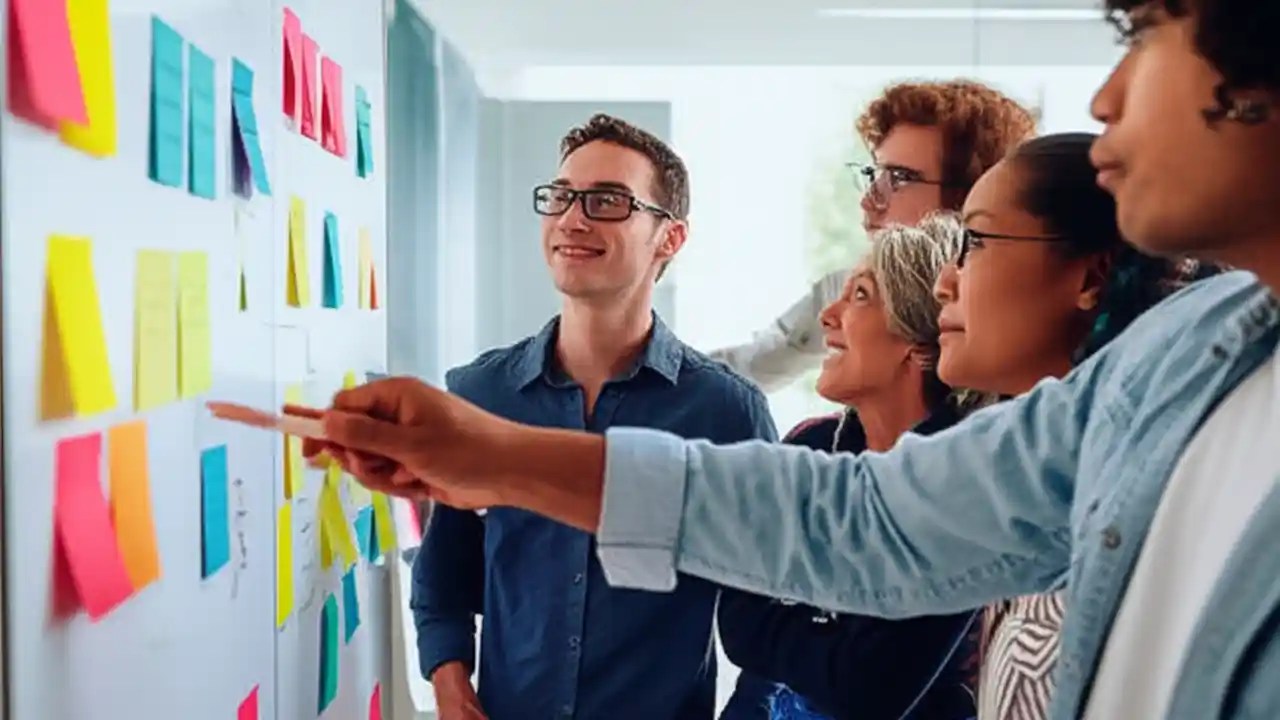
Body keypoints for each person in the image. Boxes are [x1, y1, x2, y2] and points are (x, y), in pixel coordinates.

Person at [300, 2, 1280, 718]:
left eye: (1148, 30)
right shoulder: (1179, 359)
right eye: (560, 198)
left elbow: (844, 629)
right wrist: (488, 455)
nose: (1107, 97)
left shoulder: (728, 406)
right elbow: (870, 527)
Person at [409, 113, 778, 720]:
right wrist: (451, 686)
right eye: (561, 197)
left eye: (608, 201)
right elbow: (442, 580)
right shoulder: (478, 394)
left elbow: (773, 609)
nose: (572, 219)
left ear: (670, 238)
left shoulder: (725, 412)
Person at [930, 132, 1210, 719]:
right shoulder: (1043, 491)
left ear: (1090, 277)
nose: (944, 281)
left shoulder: (1133, 526)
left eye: (974, 241)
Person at [718, 215, 982, 720]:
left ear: (916, 337)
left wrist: (808, 627)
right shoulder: (808, 449)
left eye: (859, 295)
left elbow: (868, 687)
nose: (828, 316)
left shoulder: (958, 481)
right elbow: (739, 625)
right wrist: (841, 641)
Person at [708, 81, 1037, 392]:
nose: (869, 201)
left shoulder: (1022, 312)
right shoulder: (846, 292)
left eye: (898, 178)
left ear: (973, 194)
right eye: (874, 175)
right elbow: (745, 369)